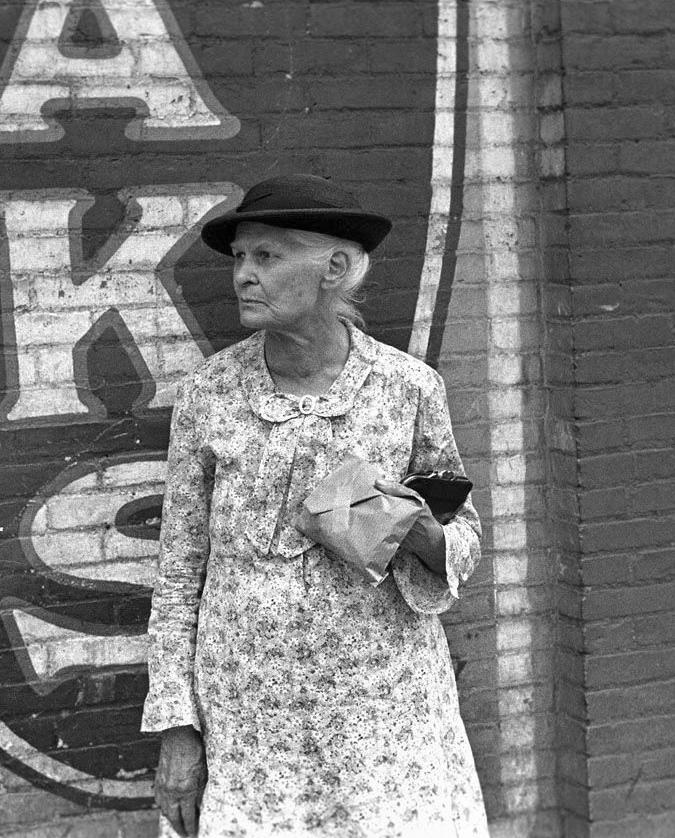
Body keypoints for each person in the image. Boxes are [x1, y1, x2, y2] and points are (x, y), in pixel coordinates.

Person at [141, 173, 488, 838]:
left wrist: (413, 527)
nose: (243, 274)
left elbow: (462, 532)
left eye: (266, 256)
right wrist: (178, 731)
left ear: (333, 267)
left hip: (382, 723)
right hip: (251, 734)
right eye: (239, 257)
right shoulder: (209, 396)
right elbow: (179, 576)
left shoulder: (408, 389)